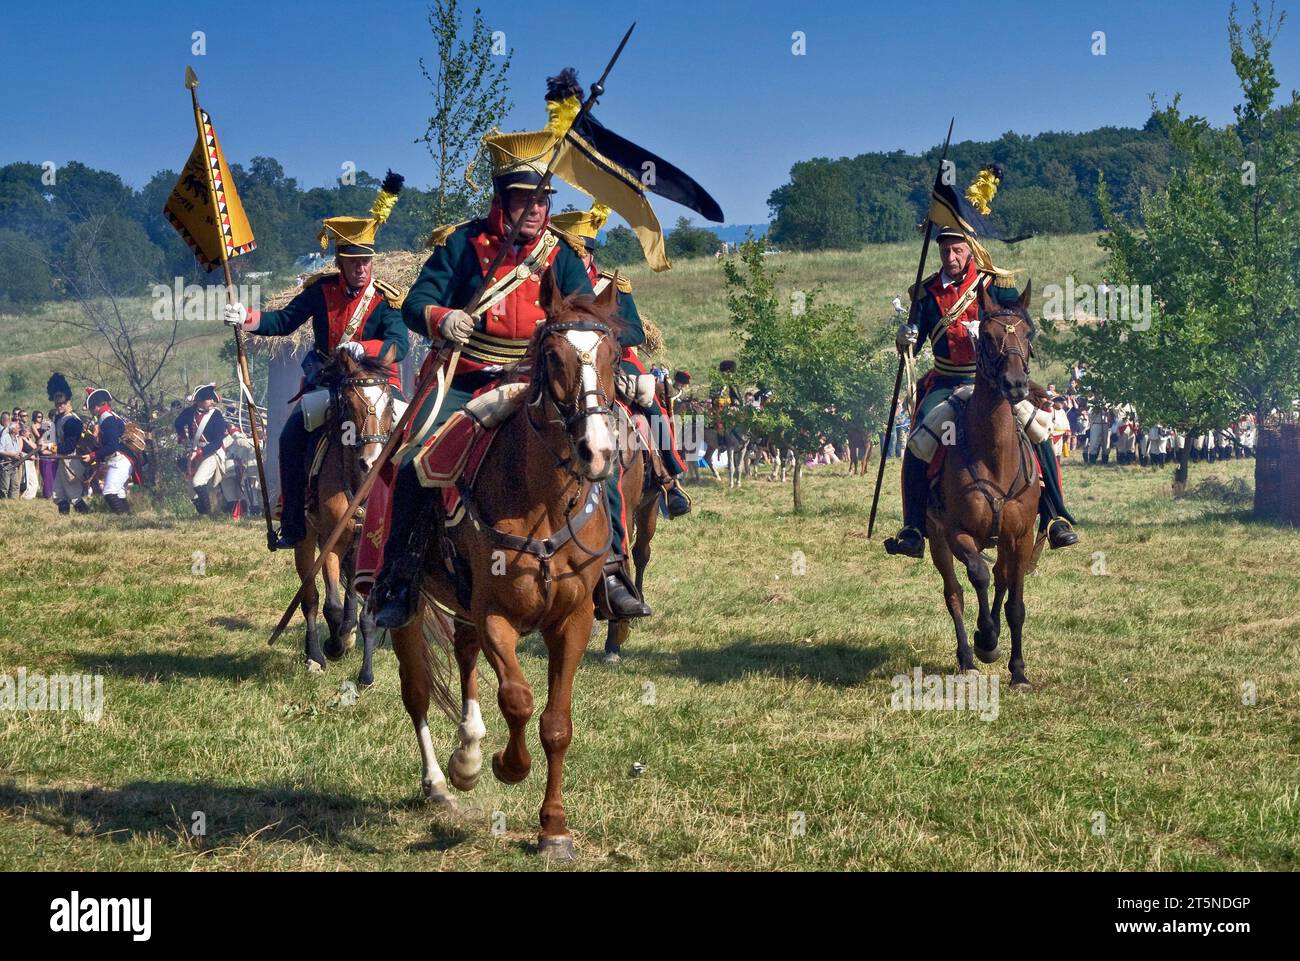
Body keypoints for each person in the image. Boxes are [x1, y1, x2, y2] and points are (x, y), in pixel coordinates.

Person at [368, 123, 607, 629]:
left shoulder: (560, 255)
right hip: (468, 378)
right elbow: (415, 304)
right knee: (416, 464)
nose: (537, 209)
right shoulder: (463, 244)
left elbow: (588, 314)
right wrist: (441, 318)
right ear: (502, 200)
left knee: (606, 450)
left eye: (544, 199)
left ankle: (610, 566)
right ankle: (400, 574)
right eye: (526, 198)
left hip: (540, 381)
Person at [225, 171, 409, 547]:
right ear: (341, 260)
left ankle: (413, 520)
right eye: (354, 262)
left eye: (366, 262)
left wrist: (367, 350)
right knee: (291, 436)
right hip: (330, 386)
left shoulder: (385, 300)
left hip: (377, 389)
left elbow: (398, 346)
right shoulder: (320, 291)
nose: (361, 269)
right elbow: (284, 321)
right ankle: (294, 520)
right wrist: (248, 318)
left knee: (416, 439)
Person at [885, 228, 1078, 558]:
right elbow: (914, 348)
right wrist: (905, 338)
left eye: (957, 250)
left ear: (970, 250)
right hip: (946, 381)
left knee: (1039, 430)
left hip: (997, 381)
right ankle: (914, 527)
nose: (951, 257)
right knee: (920, 441)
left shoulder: (996, 284)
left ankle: (1054, 515)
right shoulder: (927, 293)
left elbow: (1020, 319)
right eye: (945, 251)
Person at [551, 201, 693, 527]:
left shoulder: (611, 285)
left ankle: (670, 474)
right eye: (571, 253)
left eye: (582, 253)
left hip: (616, 363)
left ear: (590, 253)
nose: (578, 259)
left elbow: (635, 331)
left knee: (647, 400)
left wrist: (606, 339)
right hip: (571, 362)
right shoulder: (554, 287)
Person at [81, 387, 134, 513]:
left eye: (90, 407)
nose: (89, 410)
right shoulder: (108, 416)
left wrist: (93, 456)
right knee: (119, 493)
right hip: (119, 458)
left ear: (96, 406)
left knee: (109, 492)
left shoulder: (107, 419)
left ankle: (123, 520)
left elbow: (112, 446)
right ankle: (128, 520)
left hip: (119, 459)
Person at [185, 384, 229, 515]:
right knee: (191, 491)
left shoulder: (216, 415)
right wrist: (182, 437)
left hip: (212, 453)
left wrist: (199, 452)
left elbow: (216, 442)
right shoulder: (191, 414)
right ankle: (203, 515)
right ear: (200, 401)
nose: (212, 401)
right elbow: (179, 424)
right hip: (196, 453)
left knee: (198, 482)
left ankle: (208, 514)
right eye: (208, 399)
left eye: (212, 399)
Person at [0, 417, 22, 498]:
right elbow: (1, 450)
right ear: (13, 429)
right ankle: (3, 503)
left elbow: (16, 450)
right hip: (6, 465)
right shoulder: (5, 437)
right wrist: (12, 455)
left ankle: (14, 503)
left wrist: (19, 454)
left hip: (14, 464)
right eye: (17, 428)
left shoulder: (16, 438)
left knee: (15, 486)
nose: (19, 429)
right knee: (5, 487)